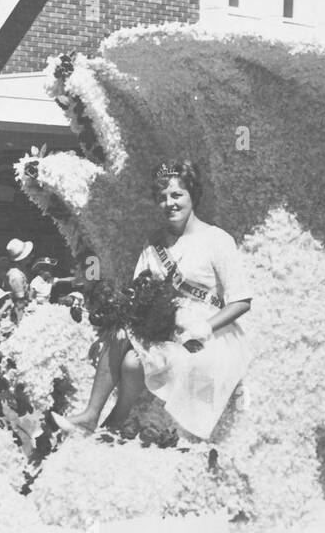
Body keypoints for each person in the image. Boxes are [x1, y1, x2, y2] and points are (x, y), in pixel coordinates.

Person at [54, 160, 252, 440]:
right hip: (163, 326)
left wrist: (204, 327)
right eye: (162, 198)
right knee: (121, 336)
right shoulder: (154, 243)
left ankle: (114, 420)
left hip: (207, 336)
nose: (169, 203)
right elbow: (139, 292)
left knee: (133, 363)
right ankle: (92, 416)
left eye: (176, 195)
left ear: (192, 195)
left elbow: (241, 301)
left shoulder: (217, 240)